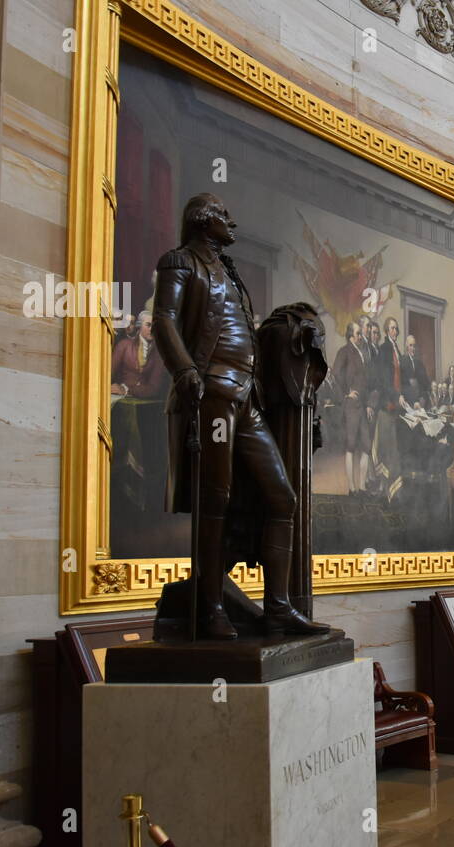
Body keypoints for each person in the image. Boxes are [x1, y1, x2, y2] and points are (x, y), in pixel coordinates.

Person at [149, 192, 319, 638]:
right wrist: (185, 370)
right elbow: (164, 319)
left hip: (247, 398)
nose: (232, 223)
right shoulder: (179, 261)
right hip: (211, 393)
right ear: (204, 221)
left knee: (282, 497)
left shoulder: (228, 270)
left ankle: (277, 607)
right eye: (224, 216)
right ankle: (210, 608)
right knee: (215, 499)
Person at [332, 321, 372, 496]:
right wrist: (345, 394)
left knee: (367, 446)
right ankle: (352, 488)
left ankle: (362, 486)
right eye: (357, 333)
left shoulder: (361, 352)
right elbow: (335, 374)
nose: (360, 336)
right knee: (350, 446)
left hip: (362, 405)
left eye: (360, 333)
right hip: (351, 406)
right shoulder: (344, 352)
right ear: (350, 336)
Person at [111, 311, 167, 399]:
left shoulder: (159, 353)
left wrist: (127, 390)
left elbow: (155, 388)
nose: (152, 329)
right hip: (120, 397)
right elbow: (109, 375)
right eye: (148, 325)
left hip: (144, 399)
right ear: (139, 326)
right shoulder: (124, 345)